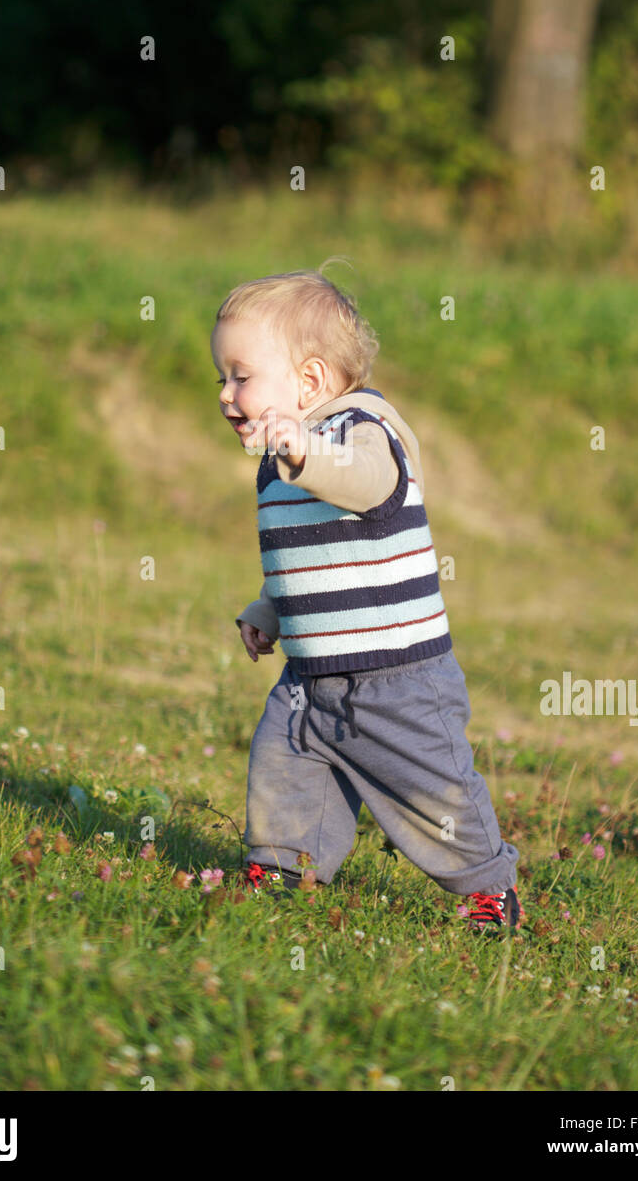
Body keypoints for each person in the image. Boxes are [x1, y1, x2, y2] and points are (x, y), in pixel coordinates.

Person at [210, 268, 522, 930]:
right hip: (312, 676)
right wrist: (269, 610)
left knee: (432, 789)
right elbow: (306, 554)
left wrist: (305, 451)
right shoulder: (280, 462)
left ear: (311, 380)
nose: (226, 394)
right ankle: (285, 867)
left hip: (397, 677)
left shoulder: (362, 432)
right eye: (221, 379)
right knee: (286, 766)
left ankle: (487, 884)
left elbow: (368, 484)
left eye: (241, 376)